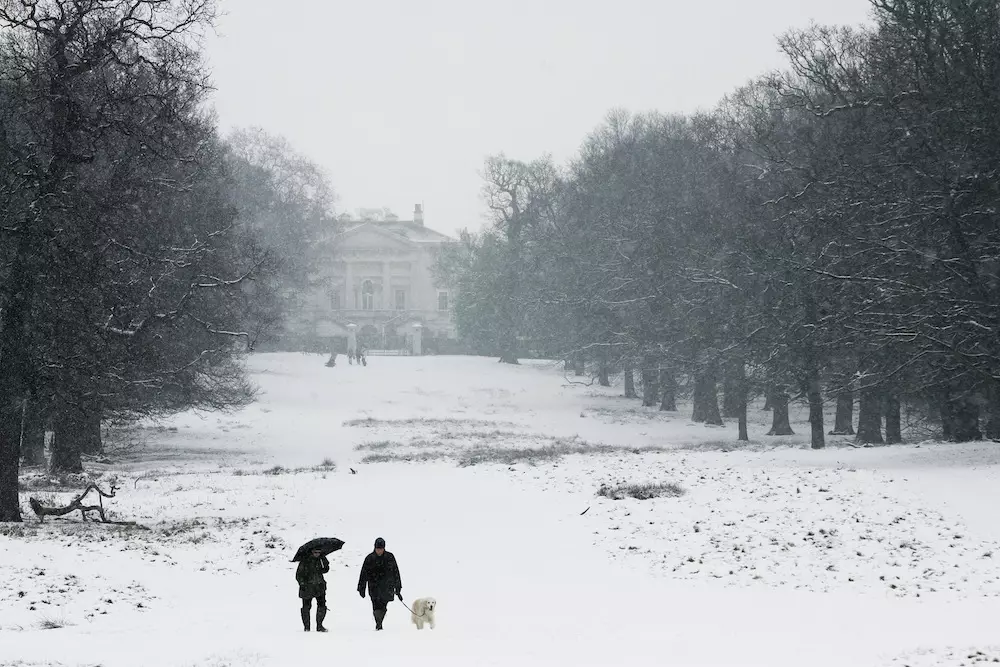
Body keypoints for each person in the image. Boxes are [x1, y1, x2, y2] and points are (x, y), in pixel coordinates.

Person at [357, 537, 402, 630]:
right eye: (378, 549)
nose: (379, 551)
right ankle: (379, 623)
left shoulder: (390, 557)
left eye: (381, 549)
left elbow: (396, 572)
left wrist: (398, 587)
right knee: (376, 605)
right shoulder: (369, 558)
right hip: (374, 586)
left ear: (384, 548)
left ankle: (379, 621)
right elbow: (363, 574)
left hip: (387, 586)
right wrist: (361, 587)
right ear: (374, 548)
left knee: (383, 606)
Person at [296, 548, 330, 632]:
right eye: (315, 552)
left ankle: (319, 626)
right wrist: (302, 584)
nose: (317, 554)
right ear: (311, 552)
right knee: (306, 607)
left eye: (319, 552)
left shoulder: (320, 560)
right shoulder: (304, 561)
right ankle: (307, 627)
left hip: (319, 587)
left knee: (322, 605)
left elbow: (325, 570)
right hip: (307, 588)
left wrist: (324, 560)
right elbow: (298, 575)